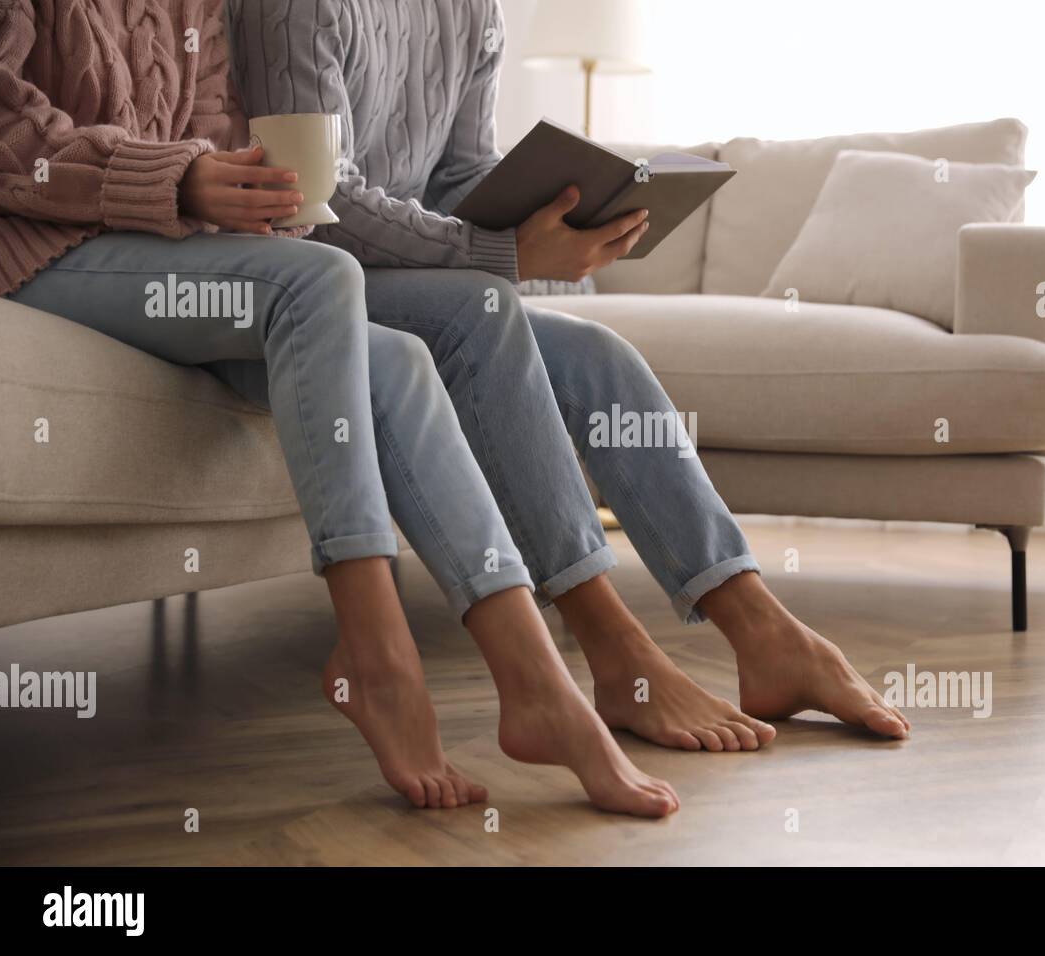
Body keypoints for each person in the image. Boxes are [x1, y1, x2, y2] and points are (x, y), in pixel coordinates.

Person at [0, 0, 681, 817]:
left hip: (172, 241)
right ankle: (377, 652)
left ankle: (537, 681)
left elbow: (214, 126)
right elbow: (8, 131)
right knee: (322, 278)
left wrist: (240, 189)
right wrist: (176, 177)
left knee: (391, 352)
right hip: (40, 242)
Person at [226, 0, 911, 751]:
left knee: (596, 356)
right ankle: (617, 655)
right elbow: (319, 202)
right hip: (315, 278)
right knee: (481, 306)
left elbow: (457, 176)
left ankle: (766, 632)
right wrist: (505, 255)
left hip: (415, 283)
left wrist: (574, 214)